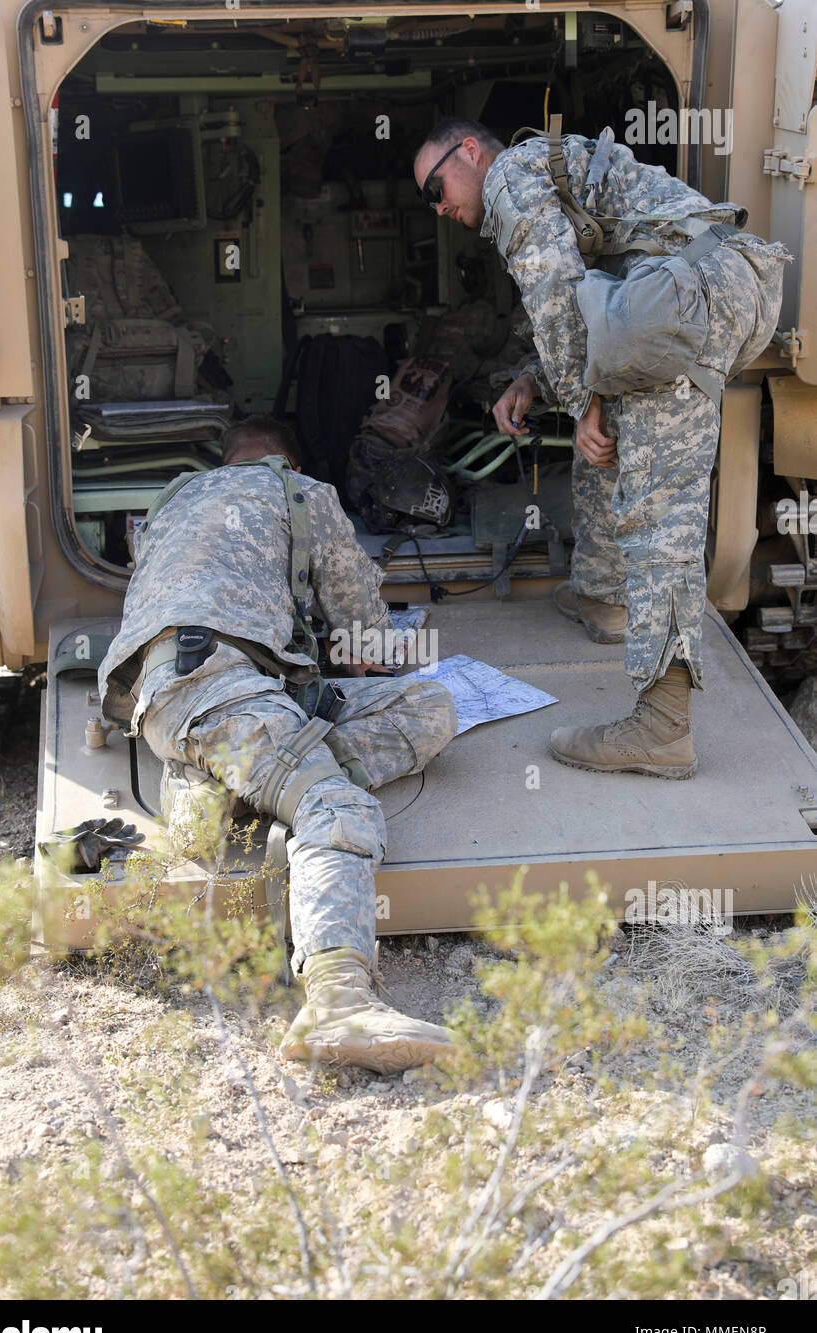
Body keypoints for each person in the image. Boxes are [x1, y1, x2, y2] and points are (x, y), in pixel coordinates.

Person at [414, 119, 787, 778]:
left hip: (682, 295)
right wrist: (535, 381)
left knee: (657, 510)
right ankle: (603, 594)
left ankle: (662, 727)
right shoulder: (541, 175)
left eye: (436, 189)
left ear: (469, 151)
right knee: (612, 447)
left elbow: (557, 292)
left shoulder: (508, 176)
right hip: (704, 285)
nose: (440, 208)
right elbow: (585, 301)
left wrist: (587, 400)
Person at [98, 415, 458, 1073]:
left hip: (177, 692)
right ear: (290, 466)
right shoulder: (302, 494)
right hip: (224, 689)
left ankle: (241, 790)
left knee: (429, 708)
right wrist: (375, 643)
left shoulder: (172, 503)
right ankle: (338, 998)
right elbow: (365, 630)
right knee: (336, 809)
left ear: (225, 459)